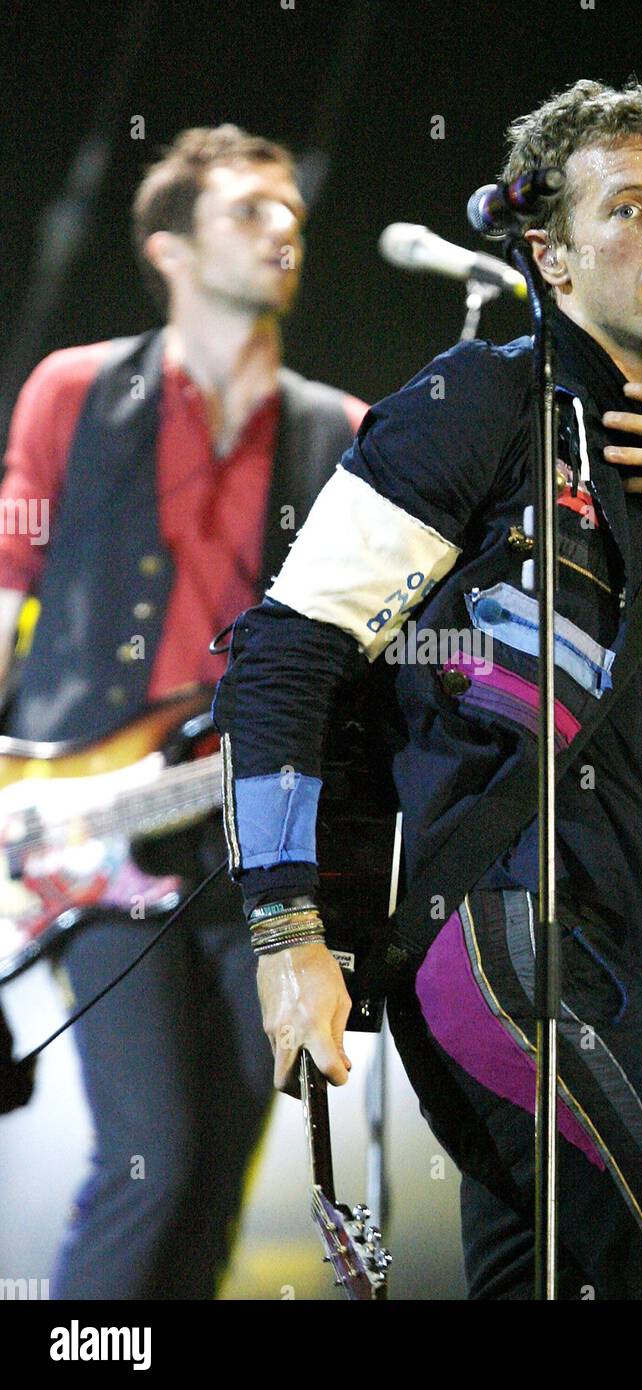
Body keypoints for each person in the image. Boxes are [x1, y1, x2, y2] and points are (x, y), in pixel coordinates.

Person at [212, 80, 642, 1300]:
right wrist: (286, 933)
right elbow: (284, 650)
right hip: (502, 958)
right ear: (545, 249)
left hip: (634, 976)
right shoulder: (477, 398)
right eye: (632, 209)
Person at [0, 124, 366, 1298]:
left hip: (250, 837)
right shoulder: (75, 389)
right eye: (249, 210)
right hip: (79, 819)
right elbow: (9, 580)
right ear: (166, 246)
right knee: (151, 1155)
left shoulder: (341, 431)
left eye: (291, 212)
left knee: (219, 1165)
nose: (283, 228)